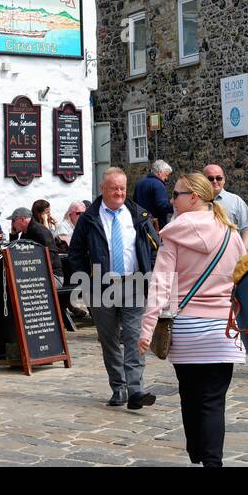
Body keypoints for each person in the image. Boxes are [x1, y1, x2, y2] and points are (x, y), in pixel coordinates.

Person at [138, 173, 247, 467]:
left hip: (186, 329)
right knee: (213, 402)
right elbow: (243, 280)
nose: (171, 200)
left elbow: (161, 286)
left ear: (194, 197)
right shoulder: (231, 233)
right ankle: (212, 462)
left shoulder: (173, 233)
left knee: (189, 396)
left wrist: (147, 329)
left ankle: (197, 455)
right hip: (223, 329)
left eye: (176, 194)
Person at [67, 167, 160, 409]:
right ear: (102, 189)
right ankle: (119, 388)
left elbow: (154, 248)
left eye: (122, 188)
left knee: (133, 337)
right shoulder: (89, 219)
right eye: (113, 188)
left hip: (133, 283)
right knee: (109, 340)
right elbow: (75, 253)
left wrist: (148, 273)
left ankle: (136, 389)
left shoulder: (138, 215)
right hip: (101, 287)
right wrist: (86, 284)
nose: (119, 192)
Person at [203, 165, 248, 245]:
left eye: (219, 178)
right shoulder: (195, 201)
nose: (215, 181)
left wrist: (243, 251)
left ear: (224, 180)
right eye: (210, 178)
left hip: (230, 253)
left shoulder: (236, 201)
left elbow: (247, 228)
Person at [135, 159, 175, 230]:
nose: (166, 178)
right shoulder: (158, 184)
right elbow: (162, 206)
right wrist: (174, 206)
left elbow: (135, 203)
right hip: (155, 225)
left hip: (141, 223)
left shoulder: (139, 183)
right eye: (166, 175)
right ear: (160, 172)